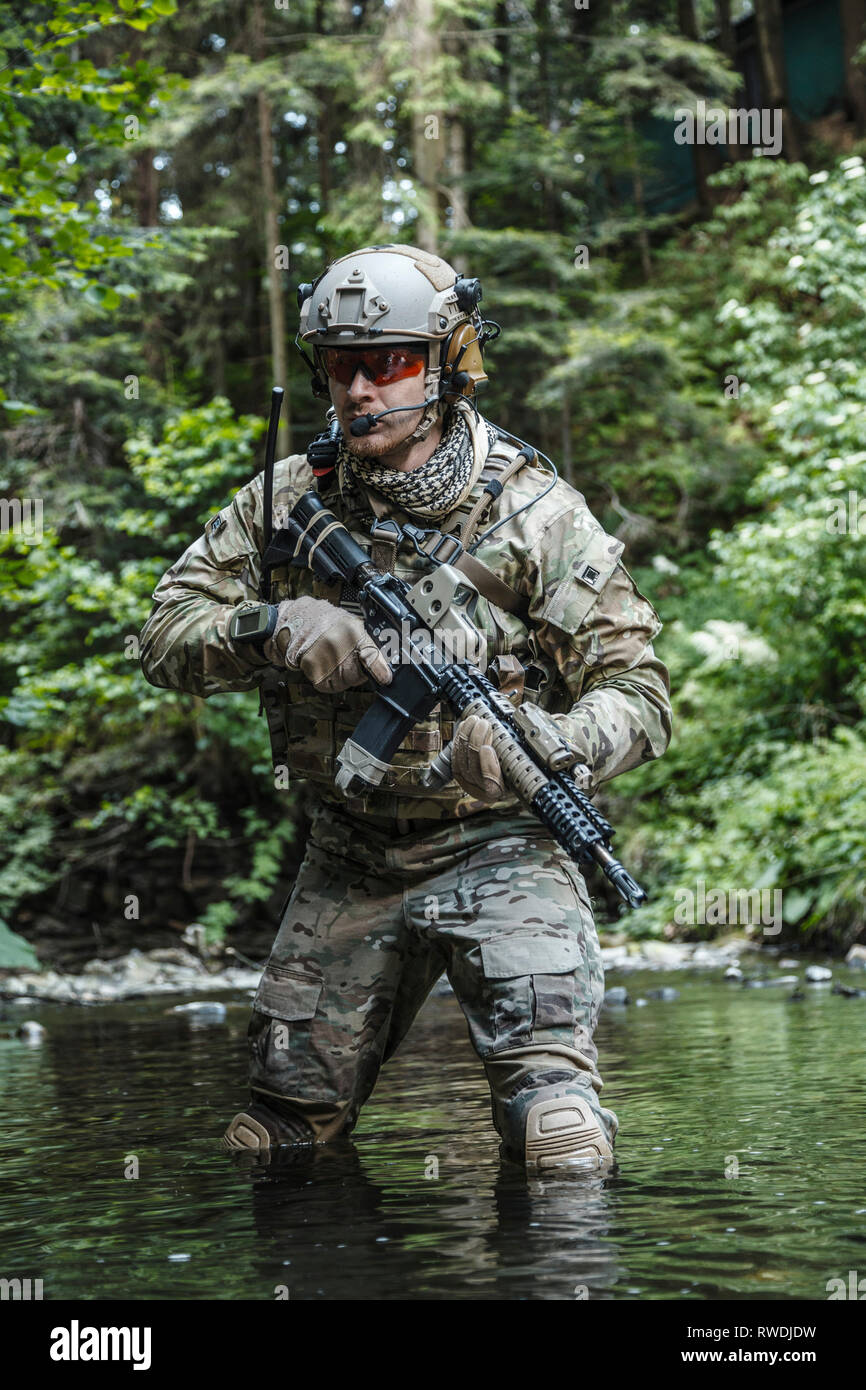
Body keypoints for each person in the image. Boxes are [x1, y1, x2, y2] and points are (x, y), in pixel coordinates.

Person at [139, 243, 672, 1173]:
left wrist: (550, 740)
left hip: (504, 846)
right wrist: (272, 625)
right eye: (341, 366)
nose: (360, 391)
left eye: (388, 363)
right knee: (273, 1146)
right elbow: (163, 637)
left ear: (449, 364)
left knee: (560, 1143)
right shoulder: (284, 502)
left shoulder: (537, 516)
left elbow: (644, 697)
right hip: (350, 849)